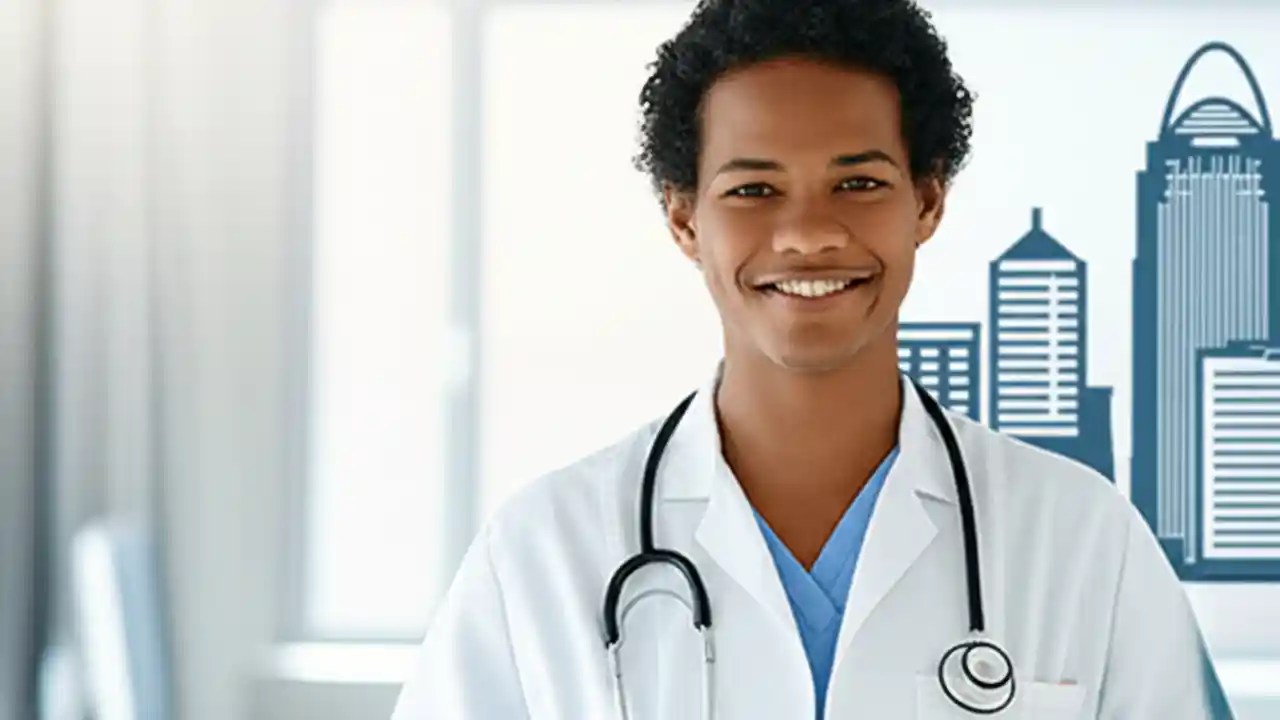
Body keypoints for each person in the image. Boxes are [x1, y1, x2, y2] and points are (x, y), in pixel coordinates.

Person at [392, 0, 1230, 717]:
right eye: (752, 190)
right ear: (684, 220)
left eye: (858, 184)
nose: (807, 234)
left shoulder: (1082, 540)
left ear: (927, 200)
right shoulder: (545, 551)